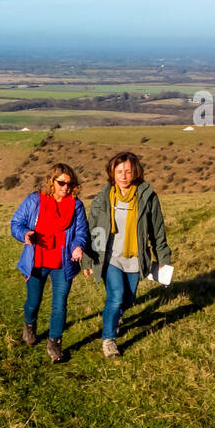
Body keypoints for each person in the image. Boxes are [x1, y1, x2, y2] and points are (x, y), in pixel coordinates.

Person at [80, 151, 172, 357]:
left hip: (135, 257)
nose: (123, 175)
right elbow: (92, 230)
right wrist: (88, 260)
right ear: (112, 173)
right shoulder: (103, 198)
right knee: (116, 296)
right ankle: (109, 340)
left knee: (129, 299)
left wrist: (162, 257)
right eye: (119, 171)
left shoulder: (147, 197)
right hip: (109, 257)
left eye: (128, 171)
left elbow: (157, 229)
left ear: (135, 173)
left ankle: (116, 317)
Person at [10, 163, 88, 363]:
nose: (66, 188)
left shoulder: (76, 205)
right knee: (33, 302)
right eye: (61, 182)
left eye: (69, 184)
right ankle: (29, 326)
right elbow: (16, 223)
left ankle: (55, 344)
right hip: (37, 261)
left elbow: (81, 232)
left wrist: (78, 246)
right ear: (51, 182)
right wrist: (24, 234)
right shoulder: (35, 200)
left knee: (60, 305)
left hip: (63, 263)